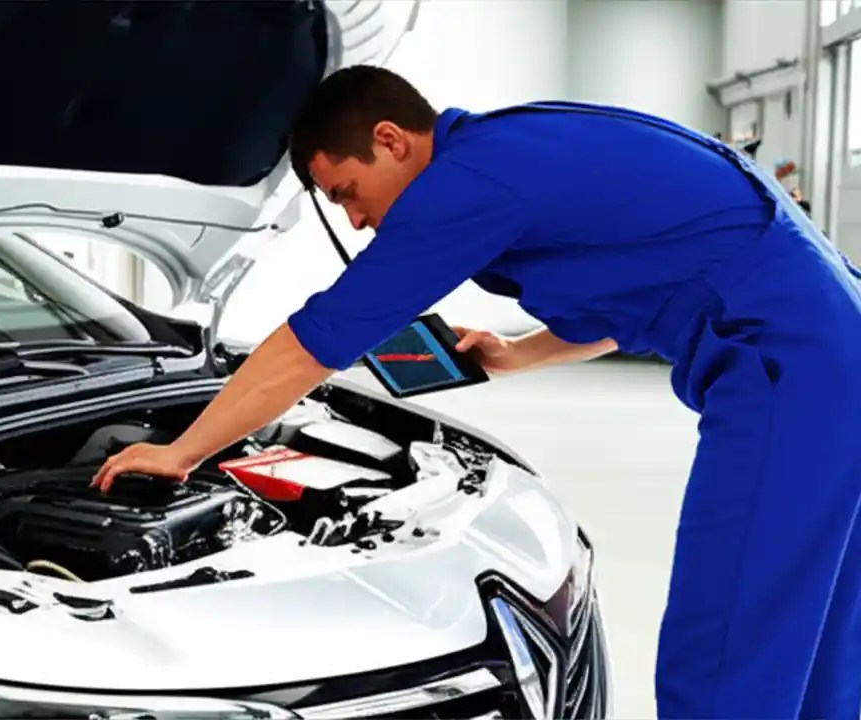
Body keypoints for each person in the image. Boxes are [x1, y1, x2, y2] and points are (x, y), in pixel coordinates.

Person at [91, 66, 861, 719]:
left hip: (789, 371)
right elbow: (635, 301)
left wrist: (183, 450)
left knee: (727, 636)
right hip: (832, 349)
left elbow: (312, 343)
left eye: (348, 190)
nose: (356, 221)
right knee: (816, 630)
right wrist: (520, 355)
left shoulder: (468, 183)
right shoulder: (519, 145)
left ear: (391, 140)